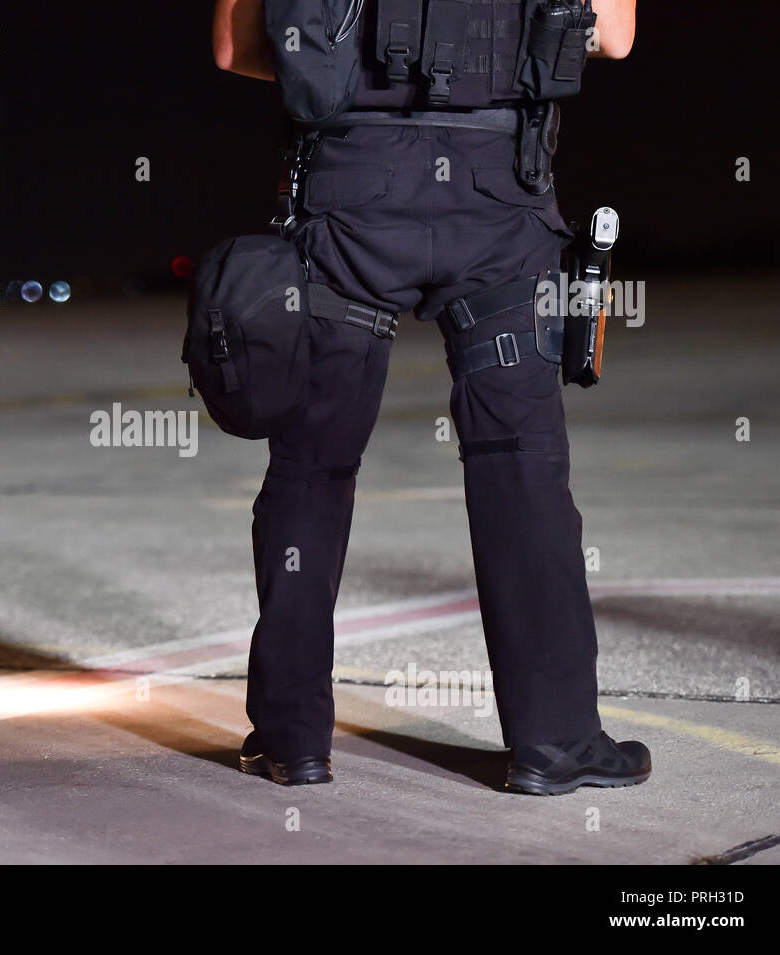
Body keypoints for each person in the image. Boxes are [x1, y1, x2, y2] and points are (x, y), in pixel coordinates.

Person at [213, 0, 649, 794]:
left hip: (349, 196)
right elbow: (613, 35)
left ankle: (291, 738)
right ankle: (553, 743)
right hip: (498, 202)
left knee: (312, 466)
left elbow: (234, 48)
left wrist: (365, 69)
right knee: (521, 464)